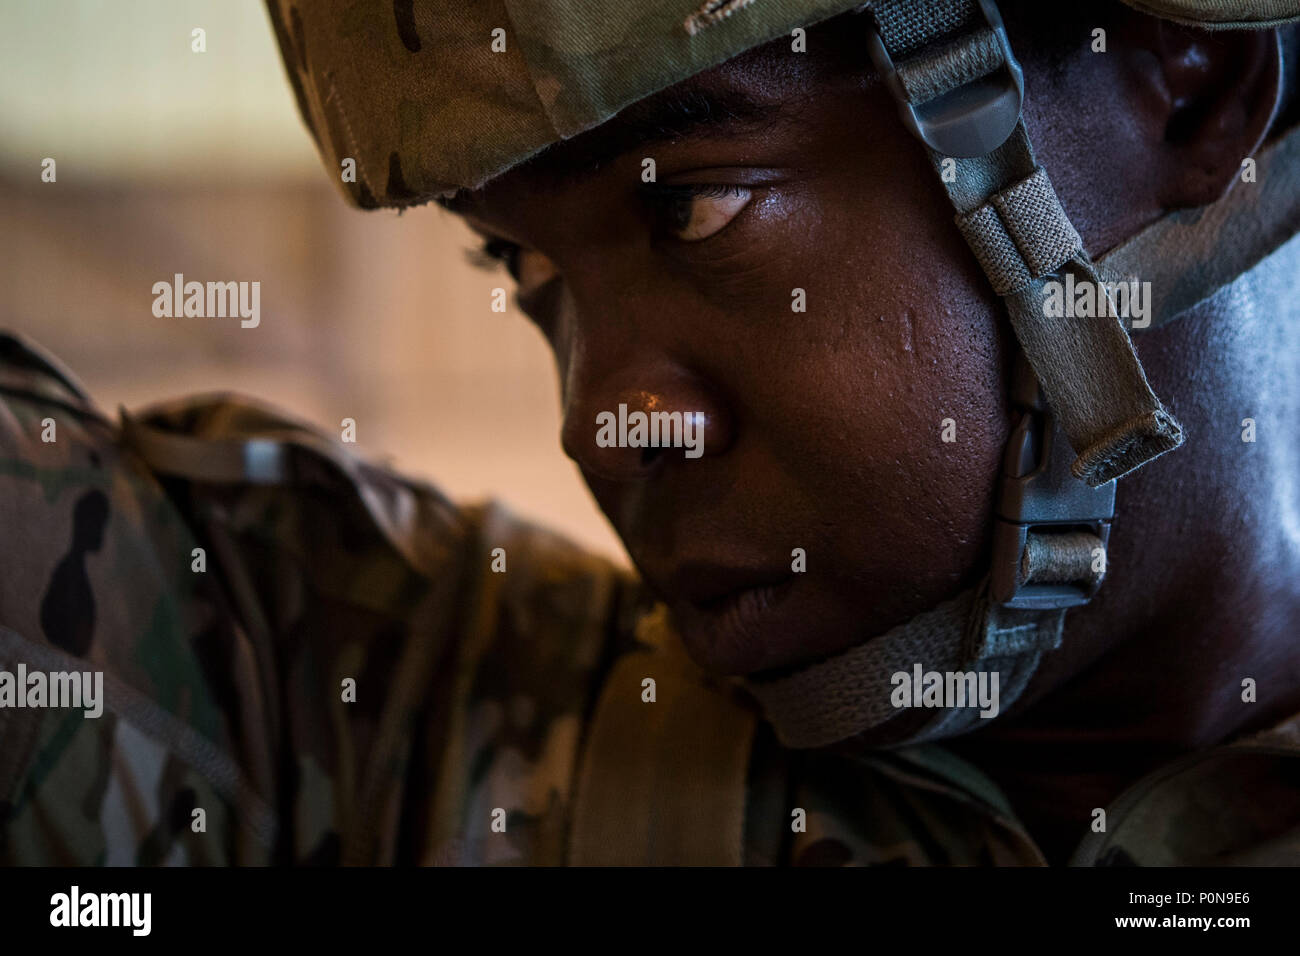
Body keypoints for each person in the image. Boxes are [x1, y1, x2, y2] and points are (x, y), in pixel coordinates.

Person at [2, 0, 1300, 866]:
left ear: (1187, 95)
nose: (598, 422)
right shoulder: (356, 720)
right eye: (520, 267)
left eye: (697, 209)